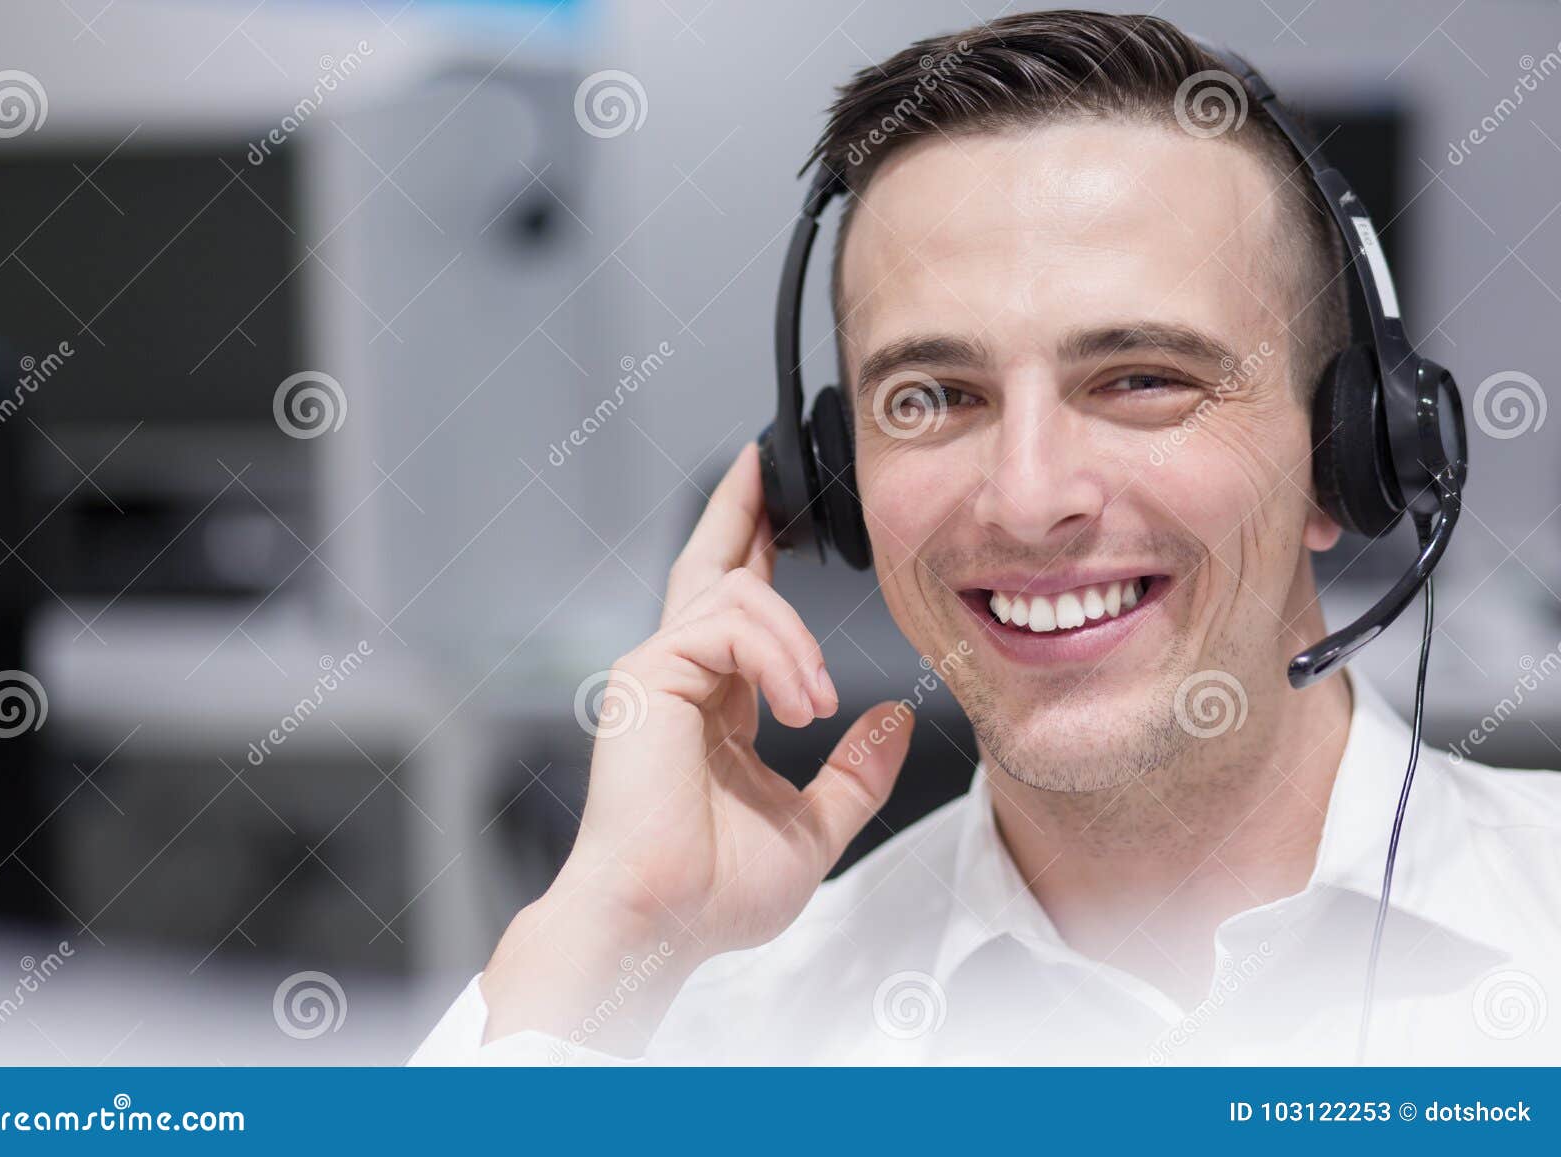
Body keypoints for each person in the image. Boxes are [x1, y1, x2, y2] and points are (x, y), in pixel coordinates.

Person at [413, 9, 1560, 1065]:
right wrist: (616, 932)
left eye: (1142, 377)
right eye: (931, 397)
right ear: (837, 483)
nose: (1024, 497)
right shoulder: (695, 1028)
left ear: (1345, 455)